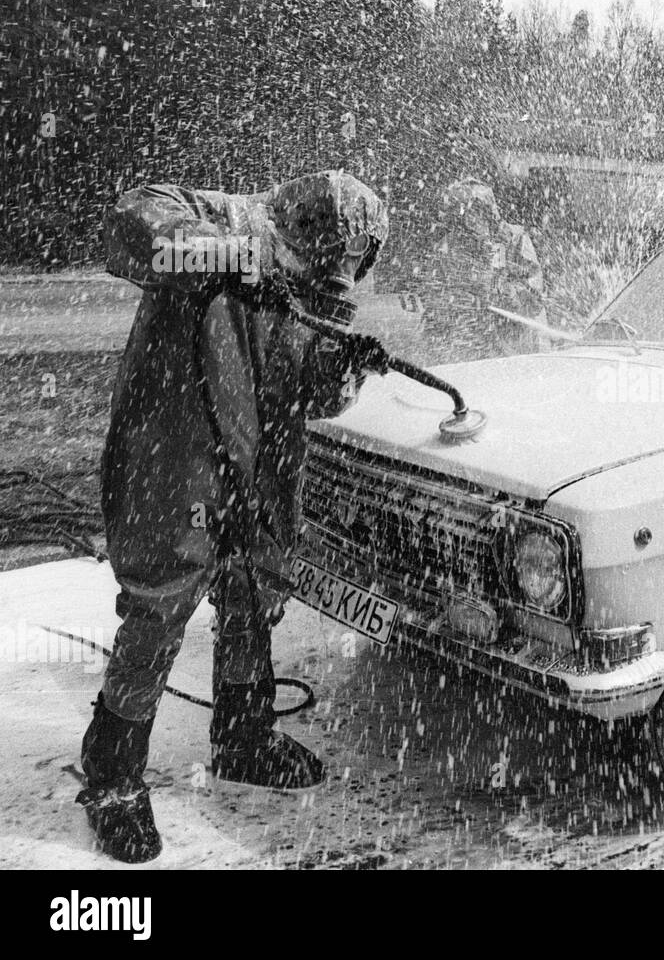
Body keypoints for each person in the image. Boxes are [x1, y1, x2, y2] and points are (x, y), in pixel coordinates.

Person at [77, 170, 389, 863]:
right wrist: (231, 261)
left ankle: (242, 738)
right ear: (296, 231)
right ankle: (114, 777)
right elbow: (132, 227)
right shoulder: (217, 219)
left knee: (253, 596)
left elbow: (310, 394)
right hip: (176, 452)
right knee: (159, 610)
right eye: (312, 267)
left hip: (261, 467)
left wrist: (344, 366)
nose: (318, 285)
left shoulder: (320, 286)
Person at [424, 178, 546, 357]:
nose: (468, 220)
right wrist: (453, 302)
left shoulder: (516, 240)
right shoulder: (448, 247)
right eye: (460, 213)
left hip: (515, 349)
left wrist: (501, 295)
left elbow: (535, 298)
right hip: (468, 350)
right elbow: (433, 297)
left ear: (488, 211)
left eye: (473, 211)